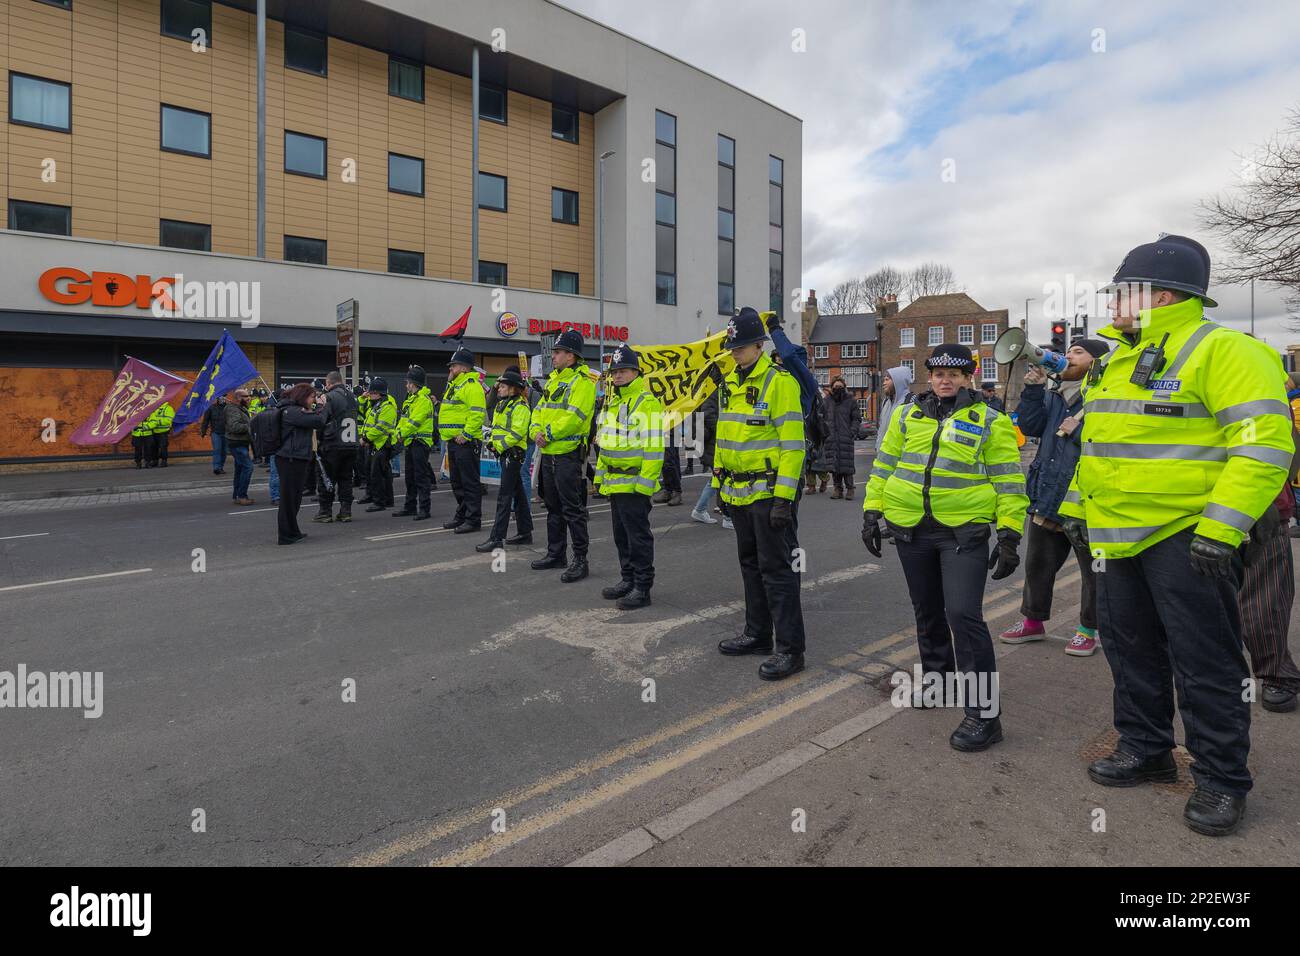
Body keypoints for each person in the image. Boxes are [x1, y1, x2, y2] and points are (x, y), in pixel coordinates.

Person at [1058, 234, 1294, 837]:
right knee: (1130, 648)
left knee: (1205, 661)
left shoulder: (1226, 350)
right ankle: (1147, 747)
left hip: (1187, 536)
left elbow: (1265, 447)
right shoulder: (1114, 359)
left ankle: (1220, 780)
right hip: (1115, 538)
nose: (1111, 304)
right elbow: (1104, 447)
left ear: (1159, 295)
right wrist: (1077, 510)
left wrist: (1221, 530)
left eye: (1121, 293)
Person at [863, 342, 1028, 751]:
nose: (944, 380)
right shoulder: (907, 414)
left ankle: (983, 715)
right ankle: (937, 684)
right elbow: (885, 464)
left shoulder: (991, 421)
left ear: (968, 377)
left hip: (963, 533)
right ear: (929, 376)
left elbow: (1009, 481)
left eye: (953, 374)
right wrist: (871, 510)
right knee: (927, 611)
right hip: (910, 529)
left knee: (963, 615)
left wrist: (1009, 533)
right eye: (938, 373)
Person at [714, 307, 807, 680]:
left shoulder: (779, 382)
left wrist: (784, 499)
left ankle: (790, 649)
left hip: (769, 495)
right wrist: (719, 483)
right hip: (738, 493)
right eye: (731, 346)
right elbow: (723, 438)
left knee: (777, 572)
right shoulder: (728, 384)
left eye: (739, 346)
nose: (734, 352)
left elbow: (793, 445)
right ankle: (757, 633)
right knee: (750, 567)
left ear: (758, 344)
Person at [999, 339, 1109, 654]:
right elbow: (1029, 426)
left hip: (1084, 500)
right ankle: (1033, 622)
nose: (1068, 356)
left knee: (1093, 572)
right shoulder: (1053, 397)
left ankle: (1089, 628)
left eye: (1078, 352)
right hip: (1048, 495)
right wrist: (1032, 389)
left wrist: (1078, 431)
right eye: (1068, 351)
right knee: (1038, 565)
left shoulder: (1103, 398)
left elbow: (1114, 445)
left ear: (1096, 363)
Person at [593, 344, 665, 610]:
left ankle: (642, 587)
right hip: (615, 483)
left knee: (638, 537)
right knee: (620, 535)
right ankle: (628, 578)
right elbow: (605, 444)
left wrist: (645, 486)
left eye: (623, 370)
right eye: (614, 372)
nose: (617, 376)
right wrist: (600, 478)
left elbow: (654, 447)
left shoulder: (646, 403)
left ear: (636, 372)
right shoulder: (615, 403)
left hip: (635, 484)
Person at [530, 329, 597, 583]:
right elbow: (539, 410)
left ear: (571, 356)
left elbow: (575, 417)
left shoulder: (583, 382)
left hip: (568, 455)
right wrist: (535, 430)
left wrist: (545, 432)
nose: (553, 356)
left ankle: (580, 559)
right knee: (553, 508)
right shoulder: (554, 381)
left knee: (573, 510)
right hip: (549, 454)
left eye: (557, 352)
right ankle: (555, 553)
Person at [1239, 479, 1300, 713]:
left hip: (1260, 504)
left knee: (1263, 606)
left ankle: (1278, 675)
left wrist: (1268, 501)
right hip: (1189, 509)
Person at [477, 368, 534, 552]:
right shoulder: (506, 404)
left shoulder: (520, 407)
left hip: (513, 455)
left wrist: (498, 445)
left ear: (512, 389)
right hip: (506, 454)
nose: (498, 389)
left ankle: (497, 538)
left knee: (504, 497)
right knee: (518, 495)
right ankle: (525, 532)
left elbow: (517, 433)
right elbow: (498, 428)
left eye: (502, 386)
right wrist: (494, 442)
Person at [440, 347, 487, 534]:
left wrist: (466, 435)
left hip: (465, 443)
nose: (450, 369)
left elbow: (477, 415)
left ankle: (473, 519)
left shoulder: (471, 386)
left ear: (464, 368)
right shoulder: (455, 386)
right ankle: (462, 515)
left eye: (454, 366)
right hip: (453, 442)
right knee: (457, 483)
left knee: (470, 483)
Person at [275, 383, 326, 545]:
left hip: (295, 458)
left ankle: (293, 531)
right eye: (312, 397)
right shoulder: (293, 412)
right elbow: (319, 421)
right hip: (290, 459)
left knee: (295, 498)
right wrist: (322, 405)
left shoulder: (296, 410)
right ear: (303, 396)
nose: (313, 400)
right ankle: (285, 536)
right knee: (288, 499)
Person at [314, 371, 360, 524]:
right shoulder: (353, 397)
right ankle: (345, 511)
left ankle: (325, 512)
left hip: (333, 444)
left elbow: (320, 420)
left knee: (326, 478)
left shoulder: (329, 397)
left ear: (328, 383)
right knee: (346, 478)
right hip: (351, 444)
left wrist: (318, 440)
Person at [393, 365, 435, 520]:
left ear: (414, 383)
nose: (406, 385)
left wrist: (401, 434)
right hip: (411, 442)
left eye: (408, 382)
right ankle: (410, 507)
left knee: (420, 477)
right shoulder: (411, 400)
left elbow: (415, 422)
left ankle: (424, 509)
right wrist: (398, 433)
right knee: (409, 477)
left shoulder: (423, 400)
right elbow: (403, 421)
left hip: (420, 442)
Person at [359, 378, 398, 513]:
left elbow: (381, 427)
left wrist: (365, 438)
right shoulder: (376, 406)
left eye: (372, 392)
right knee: (380, 472)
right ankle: (385, 499)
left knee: (377, 474)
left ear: (379, 393)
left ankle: (379, 501)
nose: (369, 395)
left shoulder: (387, 407)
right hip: (375, 444)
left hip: (382, 444)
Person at [824, 377, 861, 499]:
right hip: (831, 437)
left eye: (840, 386)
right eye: (835, 386)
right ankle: (837, 489)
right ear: (832, 387)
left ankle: (850, 489)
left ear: (844, 387)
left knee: (847, 465)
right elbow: (822, 418)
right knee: (834, 465)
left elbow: (856, 418)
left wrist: (852, 432)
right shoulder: (827, 401)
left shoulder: (851, 401)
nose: (837, 388)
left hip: (846, 437)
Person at [690, 390, 722, 524]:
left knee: (718, 477)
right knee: (720, 476)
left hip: (711, 443)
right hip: (712, 444)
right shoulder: (711, 391)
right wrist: (725, 429)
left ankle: (700, 509)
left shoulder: (711, 390)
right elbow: (708, 415)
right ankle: (726, 516)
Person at [225, 389, 256, 505]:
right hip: (236, 443)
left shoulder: (240, 408)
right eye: (246, 396)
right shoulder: (232, 409)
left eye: (249, 396)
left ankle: (237, 496)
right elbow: (234, 426)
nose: (249, 398)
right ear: (238, 398)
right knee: (248, 467)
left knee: (240, 470)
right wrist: (251, 424)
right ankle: (242, 496)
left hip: (241, 443)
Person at [200, 395, 229, 475]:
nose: (222, 399)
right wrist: (203, 431)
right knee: (217, 449)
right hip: (215, 432)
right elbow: (205, 420)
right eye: (220, 397)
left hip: (226, 433)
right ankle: (216, 468)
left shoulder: (229, 408)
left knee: (224, 451)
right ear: (217, 398)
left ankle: (221, 467)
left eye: (223, 397)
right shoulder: (211, 408)